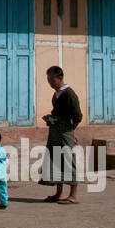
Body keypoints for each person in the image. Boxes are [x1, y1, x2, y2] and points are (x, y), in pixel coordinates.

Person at [39, 65, 83, 203]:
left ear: (60, 78)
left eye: (52, 80)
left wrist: (70, 131)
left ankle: (73, 195)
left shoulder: (70, 94)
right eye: (48, 81)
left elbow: (77, 116)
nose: (50, 83)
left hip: (64, 131)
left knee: (68, 160)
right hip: (55, 131)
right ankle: (58, 193)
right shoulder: (56, 94)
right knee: (56, 160)